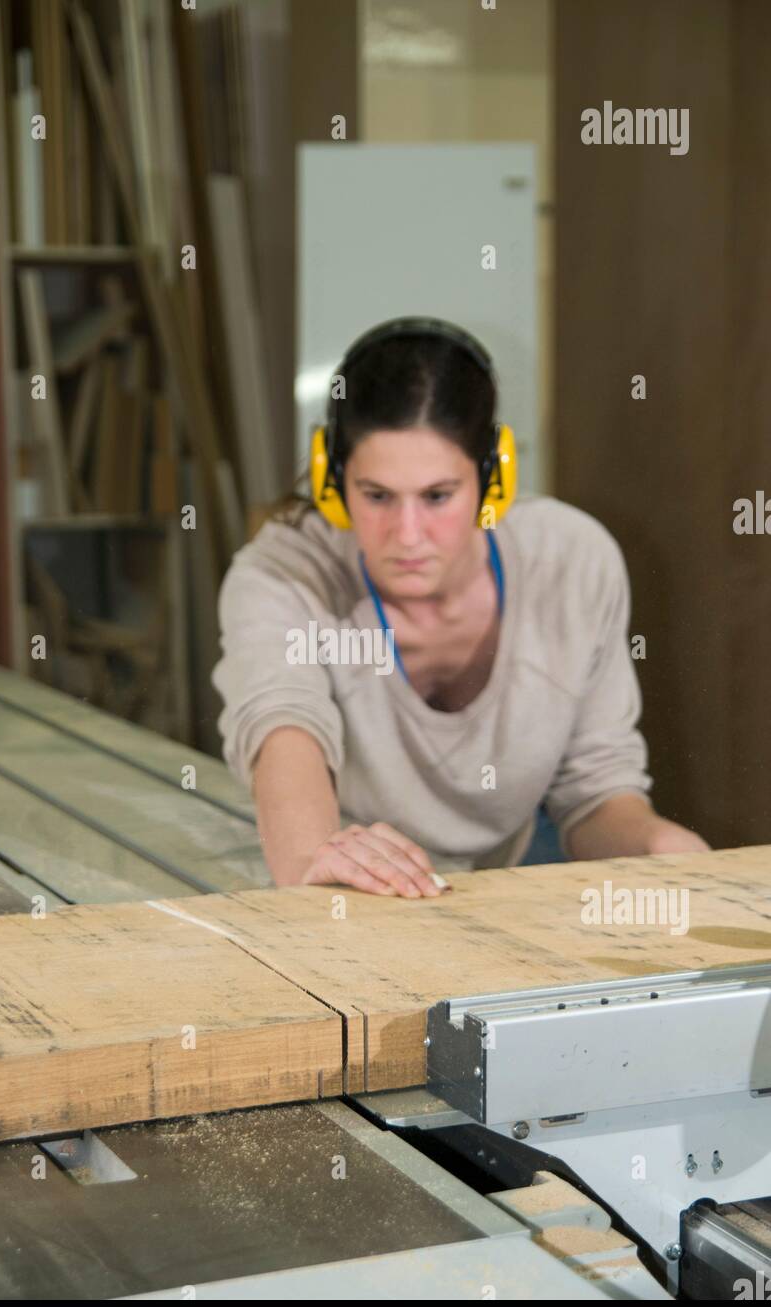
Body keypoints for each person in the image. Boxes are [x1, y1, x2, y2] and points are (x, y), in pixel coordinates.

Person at [212, 316, 709, 898]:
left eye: (437, 497)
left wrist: (656, 846)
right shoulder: (284, 573)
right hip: (354, 874)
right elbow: (282, 725)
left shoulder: (572, 560)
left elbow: (594, 792)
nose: (408, 534)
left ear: (492, 479)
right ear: (333, 483)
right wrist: (312, 861)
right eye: (377, 496)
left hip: (520, 857)